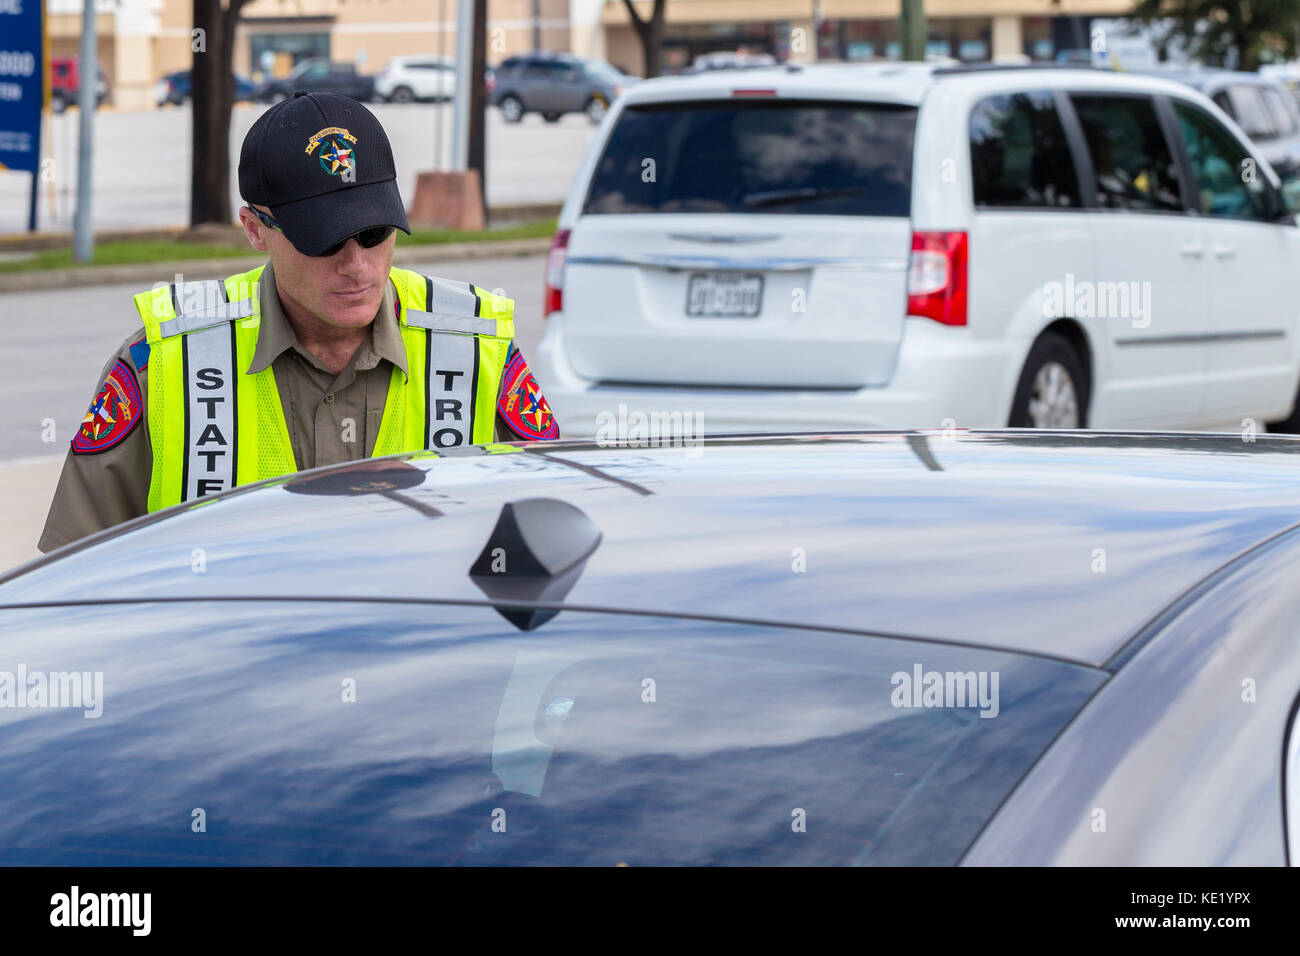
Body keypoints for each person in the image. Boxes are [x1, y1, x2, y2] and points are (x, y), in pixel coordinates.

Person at [38, 91, 559, 553]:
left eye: (376, 232)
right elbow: (75, 580)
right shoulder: (165, 359)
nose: (357, 265)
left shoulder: (477, 346)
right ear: (255, 229)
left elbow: (553, 535)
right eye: (324, 240)